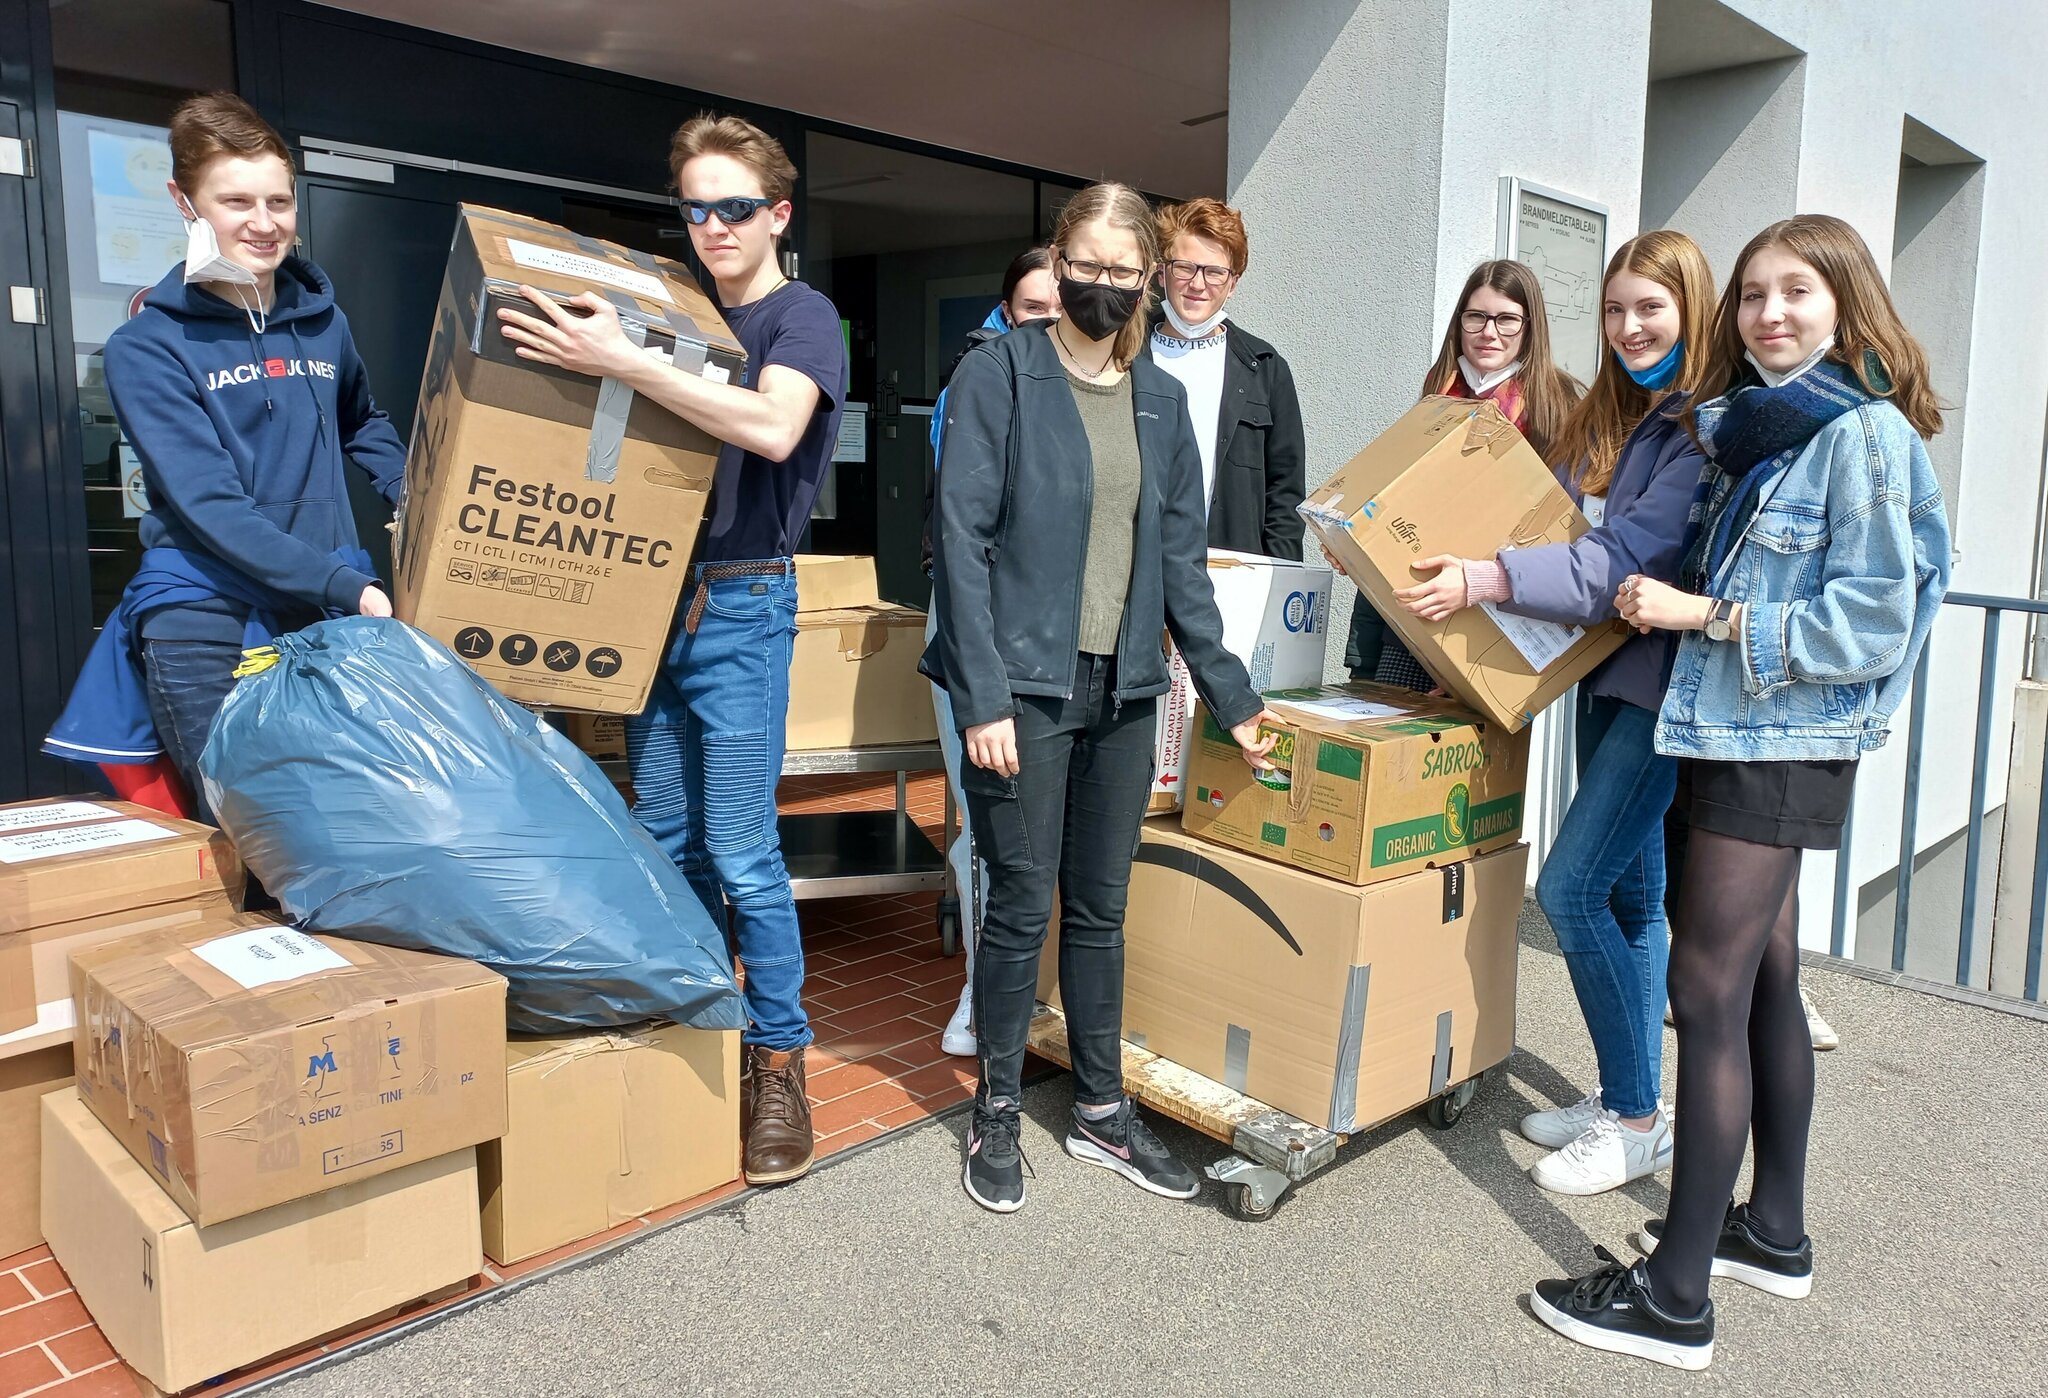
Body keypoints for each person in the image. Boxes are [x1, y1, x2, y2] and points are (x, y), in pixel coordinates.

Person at [1533, 214, 1951, 1370]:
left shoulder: (1854, 432)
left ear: (1842, 304)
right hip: (1733, 730)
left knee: (1701, 992)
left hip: (1773, 740)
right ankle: (1770, 1232)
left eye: (1795, 295)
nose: (1769, 314)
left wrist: (1701, 614)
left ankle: (1673, 1298)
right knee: (1762, 984)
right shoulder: (1764, 428)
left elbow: (1872, 621)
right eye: (1755, 296)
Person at [497, 113, 848, 1187]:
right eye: (694, 208)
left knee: (743, 851)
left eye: (733, 207)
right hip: (648, 602)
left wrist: (624, 360)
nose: (711, 227)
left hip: (743, 606)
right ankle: (703, 1026)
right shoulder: (672, 312)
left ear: (777, 214)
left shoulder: (804, 316)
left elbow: (773, 429)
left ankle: (779, 1064)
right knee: (667, 841)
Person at [926, 182, 1278, 1214]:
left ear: (1148, 281)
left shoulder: (1159, 399)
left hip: (1123, 690)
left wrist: (1232, 694)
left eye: (1123, 273)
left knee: (1099, 910)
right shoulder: (999, 373)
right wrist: (981, 696)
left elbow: (1179, 566)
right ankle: (995, 1109)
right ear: (1058, 257)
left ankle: (1097, 1110)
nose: (1101, 286)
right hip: (1020, 694)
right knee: (1017, 906)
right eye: (1084, 265)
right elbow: (960, 544)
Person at [1389, 234, 1712, 1195]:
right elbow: (1555, 529)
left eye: (1650, 308)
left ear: (1693, 309)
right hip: (1605, 674)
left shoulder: (1699, 429)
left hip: (1663, 685)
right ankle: (1630, 1093)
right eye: (1614, 311)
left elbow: (1620, 562)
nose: (1629, 328)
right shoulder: (1629, 416)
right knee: (1632, 898)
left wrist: (1485, 578)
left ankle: (1632, 1115)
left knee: (1570, 890)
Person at [44, 93, 405, 819]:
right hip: (206, 615)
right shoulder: (148, 347)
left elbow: (362, 420)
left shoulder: (322, 319)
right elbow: (210, 506)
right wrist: (348, 587)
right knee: (262, 835)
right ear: (185, 201)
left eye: (280, 201)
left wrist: (420, 500)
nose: (264, 223)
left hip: (321, 603)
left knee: (350, 822)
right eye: (236, 201)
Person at [922, 246, 1061, 1057]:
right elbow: (966, 528)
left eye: (1056, 306)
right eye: (1031, 308)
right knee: (987, 813)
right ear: (1005, 313)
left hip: (1065, 639)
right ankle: (981, 992)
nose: (1046, 320)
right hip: (980, 628)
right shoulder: (976, 385)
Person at [1339, 259, 1581, 687]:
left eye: (1507, 319)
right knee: (1383, 718)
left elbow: (1555, 525)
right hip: (1407, 600)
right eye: (1477, 317)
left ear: (1530, 327)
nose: (1489, 332)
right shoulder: (1440, 387)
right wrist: (1353, 542)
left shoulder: (1556, 403)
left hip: (1487, 618)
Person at [1143, 197, 1306, 559]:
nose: (1198, 284)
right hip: (1136, 567)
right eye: (1184, 267)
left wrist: (1280, 580)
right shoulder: (1126, 357)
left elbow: (1285, 493)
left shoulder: (1264, 367)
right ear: (1161, 271)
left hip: (1230, 571)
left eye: (1215, 272)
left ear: (1233, 283)